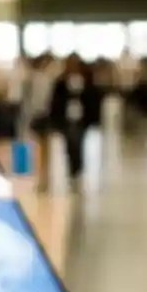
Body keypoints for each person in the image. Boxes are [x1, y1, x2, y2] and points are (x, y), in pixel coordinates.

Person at [49, 54, 101, 190]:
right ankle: (72, 171)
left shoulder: (87, 81)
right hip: (67, 119)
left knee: (79, 143)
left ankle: (78, 170)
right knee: (69, 144)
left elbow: (92, 99)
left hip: (81, 119)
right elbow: (56, 102)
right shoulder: (61, 82)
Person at [22, 54, 59, 192]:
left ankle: (43, 179)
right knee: (41, 149)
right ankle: (42, 178)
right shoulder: (41, 79)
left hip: (39, 115)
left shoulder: (39, 78)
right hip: (39, 115)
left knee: (42, 149)